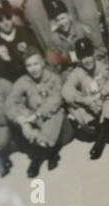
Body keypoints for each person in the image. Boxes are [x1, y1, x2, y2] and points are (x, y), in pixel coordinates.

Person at [5, 45, 67, 177]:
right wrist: (21, 121)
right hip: (37, 121)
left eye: (36, 64)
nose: (33, 69)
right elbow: (10, 103)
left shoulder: (53, 78)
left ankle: (38, 157)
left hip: (56, 121)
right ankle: (50, 151)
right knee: (25, 117)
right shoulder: (23, 81)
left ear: (43, 63)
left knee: (55, 113)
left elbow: (56, 100)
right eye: (29, 66)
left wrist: (37, 114)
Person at [61, 36, 109, 160]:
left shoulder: (102, 66)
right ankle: (107, 134)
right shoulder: (77, 72)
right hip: (92, 117)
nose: (87, 60)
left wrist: (103, 93)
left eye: (89, 55)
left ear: (93, 54)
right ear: (79, 59)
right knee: (71, 103)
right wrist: (84, 100)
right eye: (83, 57)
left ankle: (100, 140)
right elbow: (65, 91)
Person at [0, 7, 40, 84]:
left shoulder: (25, 33)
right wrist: (5, 60)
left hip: (33, 75)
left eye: (8, 17)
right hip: (11, 81)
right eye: (0, 20)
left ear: (13, 17)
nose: (5, 23)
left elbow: (39, 55)